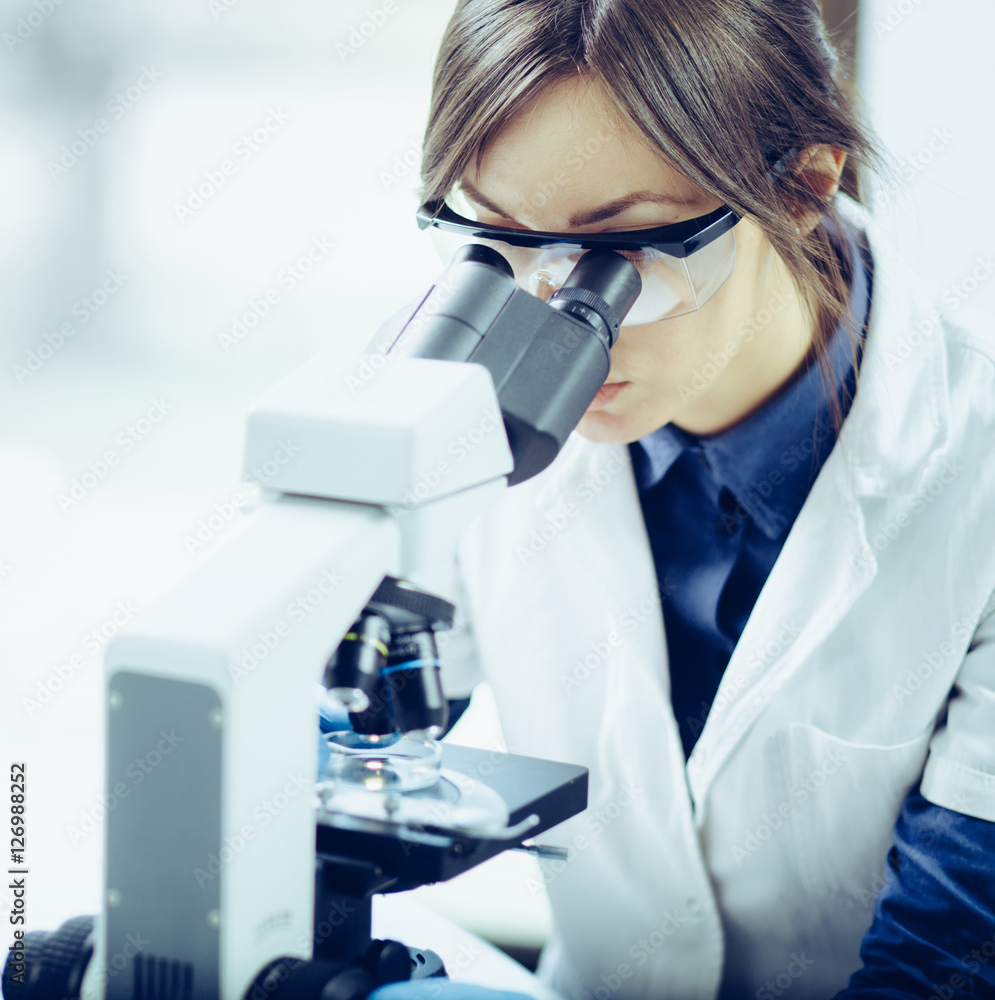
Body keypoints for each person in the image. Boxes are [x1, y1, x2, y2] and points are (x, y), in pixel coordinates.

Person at [371, 1, 995, 997]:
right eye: (496, 243)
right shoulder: (446, 400)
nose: (546, 326)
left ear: (800, 186)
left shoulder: (975, 466)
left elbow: (950, 951)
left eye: (617, 258)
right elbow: (361, 726)